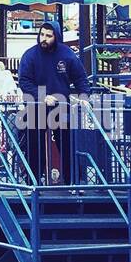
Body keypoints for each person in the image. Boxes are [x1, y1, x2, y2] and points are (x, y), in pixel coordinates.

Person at [15, 19, 91, 183]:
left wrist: (84, 96)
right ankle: (33, 182)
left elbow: (80, 78)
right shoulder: (30, 55)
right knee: (34, 147)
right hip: (35, 107)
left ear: (56, 36)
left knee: (67, 147)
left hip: (61, 107)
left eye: (48, 36)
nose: (44, 38)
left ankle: (73, 182)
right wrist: (42, 97)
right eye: (42, 34)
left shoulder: (67, 54)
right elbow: (24, 81)